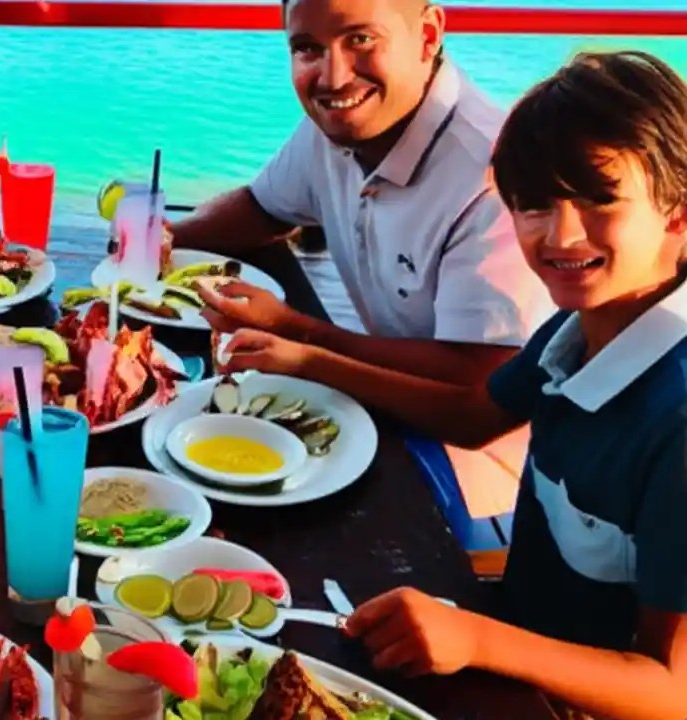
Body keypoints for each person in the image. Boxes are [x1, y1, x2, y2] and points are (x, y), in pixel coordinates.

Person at [294, 51, 687, 719]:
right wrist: (307, 360)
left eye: (599, 199)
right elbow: (476, 416)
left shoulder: (674, 420)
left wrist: (476, 638)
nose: (561, 234)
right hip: (511, 640)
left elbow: (671, 689)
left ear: (678, 211)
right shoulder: (579, 328)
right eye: (534, 204)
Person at [175, 0, 551, 519]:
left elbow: (476, 383)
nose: (332, 77)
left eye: (360, 40)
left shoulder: (490, 178)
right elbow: (262, 210)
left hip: (489, 468)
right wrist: (161, 241)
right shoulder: (339, 124)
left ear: (427, 34)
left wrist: (298, 332)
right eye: (308, 48)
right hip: (380, 404)